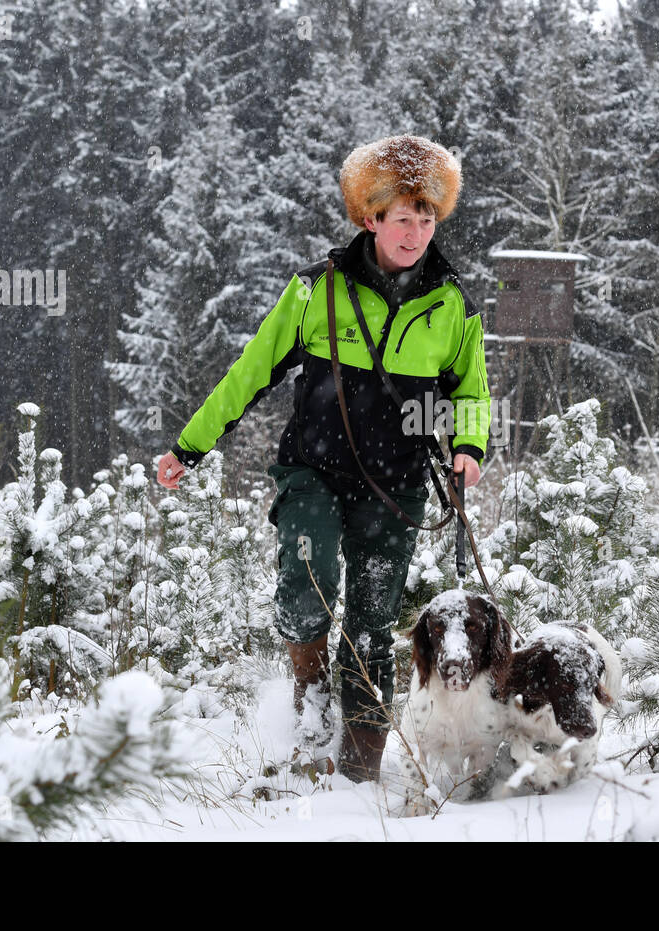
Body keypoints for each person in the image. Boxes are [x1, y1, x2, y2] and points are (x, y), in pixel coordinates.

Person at [156, 135, 491, 782]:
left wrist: (469, 448)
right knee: (307, 579)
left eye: (427, 221)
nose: (416, 234)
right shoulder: (316, 291)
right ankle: (309, 704)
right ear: (371, 218)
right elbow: (250, 372)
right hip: (311, 467)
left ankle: (362, 762)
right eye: (402, 219)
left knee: (372, 615)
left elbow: (471, 390)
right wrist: (189, 446)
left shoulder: (451, 306)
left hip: (395, 484)